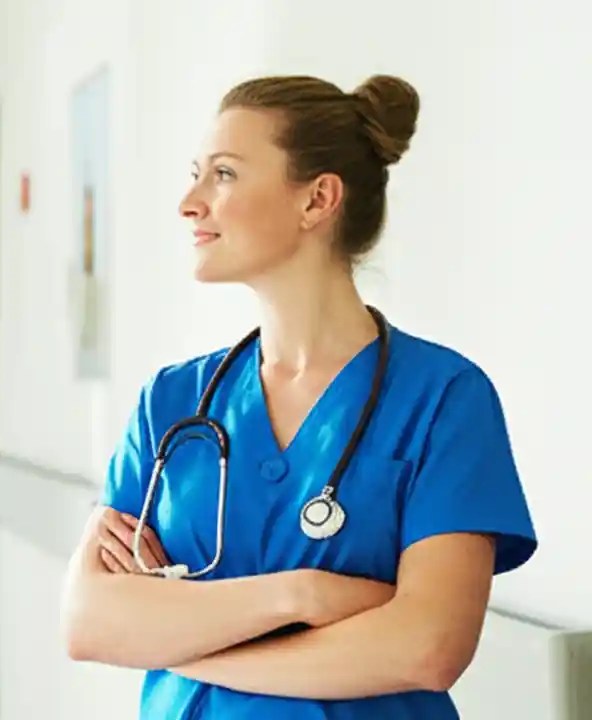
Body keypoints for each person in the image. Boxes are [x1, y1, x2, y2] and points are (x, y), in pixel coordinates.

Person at [59, 74, 538, 719]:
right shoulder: (172, 403)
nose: (189, 203)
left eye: (223, 175)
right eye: (196, 173)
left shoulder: (444, 399)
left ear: (317, 200)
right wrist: (303, 594)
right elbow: (90, 622)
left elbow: (428, 647)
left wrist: (185, 648)